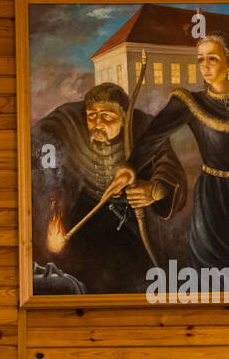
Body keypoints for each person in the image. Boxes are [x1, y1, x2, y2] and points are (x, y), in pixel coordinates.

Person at [109, 31, 229, 287]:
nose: (205, 66)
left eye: (212, 59)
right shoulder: (189, 103)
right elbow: (153, 137)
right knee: (213, 265)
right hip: (214, 196)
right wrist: (131, 166)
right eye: (201, 60)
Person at [31, 82, 185, 294]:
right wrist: (54, 214)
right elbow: (44, 154)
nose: (97, 123)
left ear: (123, 118)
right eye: (92, 115)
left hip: (127, 225)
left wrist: (154, 190)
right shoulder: (70, 123)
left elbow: (168, 170)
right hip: (82, 222)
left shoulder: (143, 128)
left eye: (107, 116)